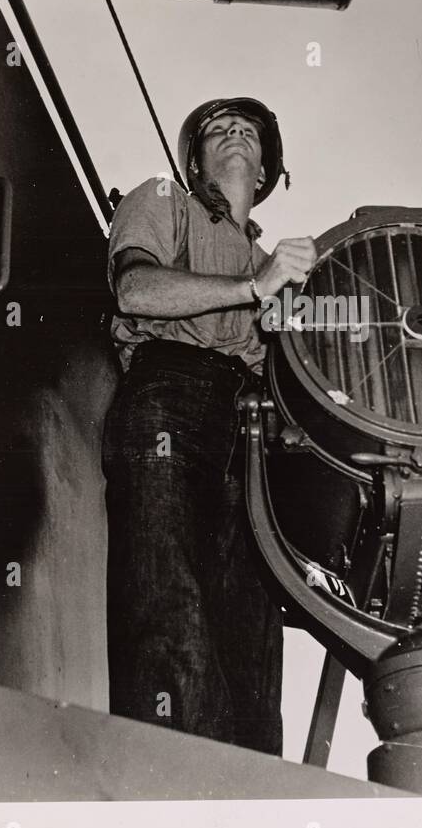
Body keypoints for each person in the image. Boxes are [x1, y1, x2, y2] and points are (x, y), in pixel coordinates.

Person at [102, 97, 316, 756]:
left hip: (255, 427)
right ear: (194, 161)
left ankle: (250, 799)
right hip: (173, 390)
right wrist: (256, 289)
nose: (230, 135)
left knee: (251, 627)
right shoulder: (165, 198)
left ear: (266, 170)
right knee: (167, 593)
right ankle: (172, 777)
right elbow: (136, 293)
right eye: (216, 130)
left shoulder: (283, 265)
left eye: (246, 131)